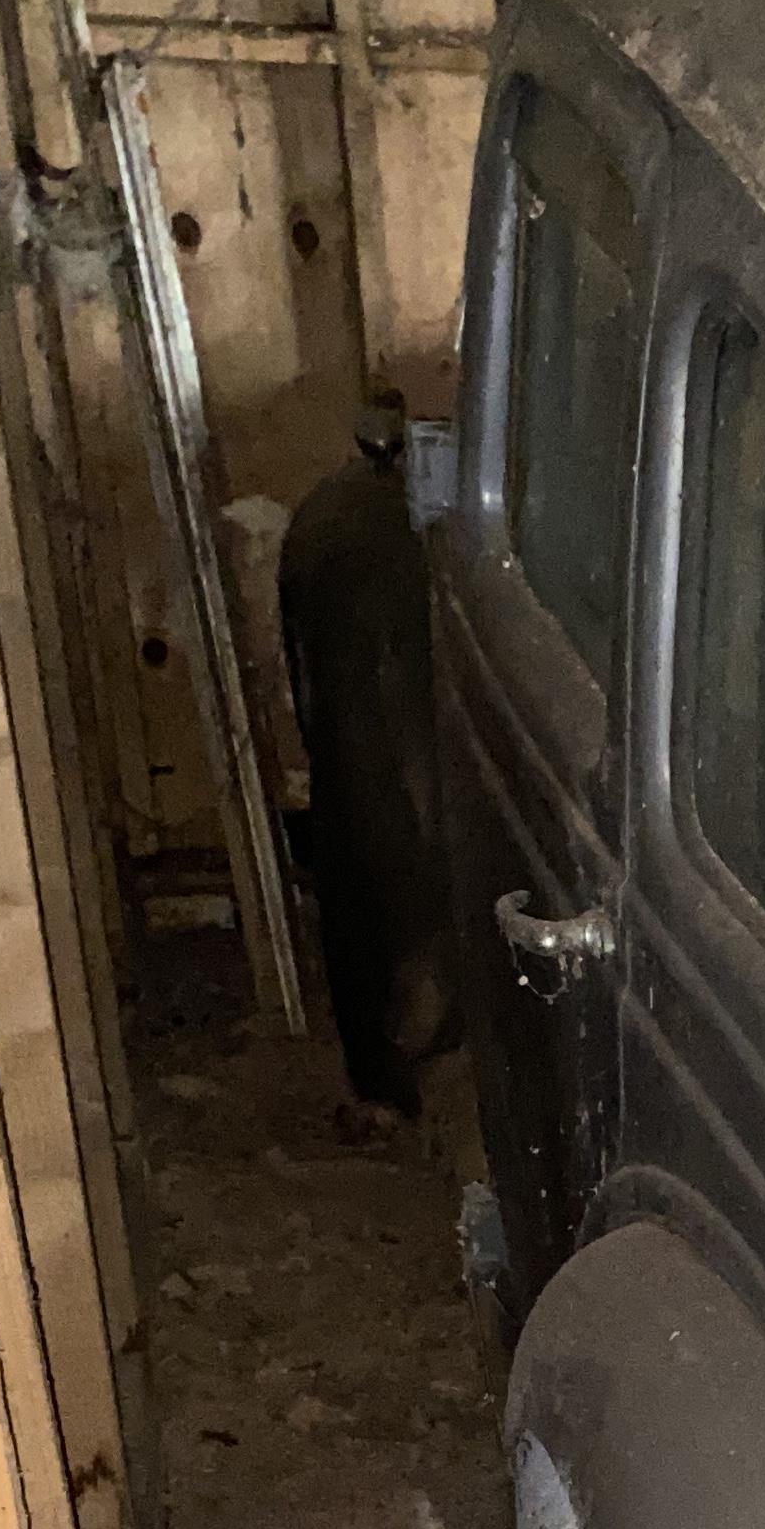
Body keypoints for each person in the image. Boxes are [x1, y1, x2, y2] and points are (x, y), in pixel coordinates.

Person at [278, 391, 457, 1115]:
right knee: (393, 833)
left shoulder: (327, 518)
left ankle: (380, 1061)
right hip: (392, 730)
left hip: (351, 735)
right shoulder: (392, 534)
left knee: (355, 823)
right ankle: (408, 1048)